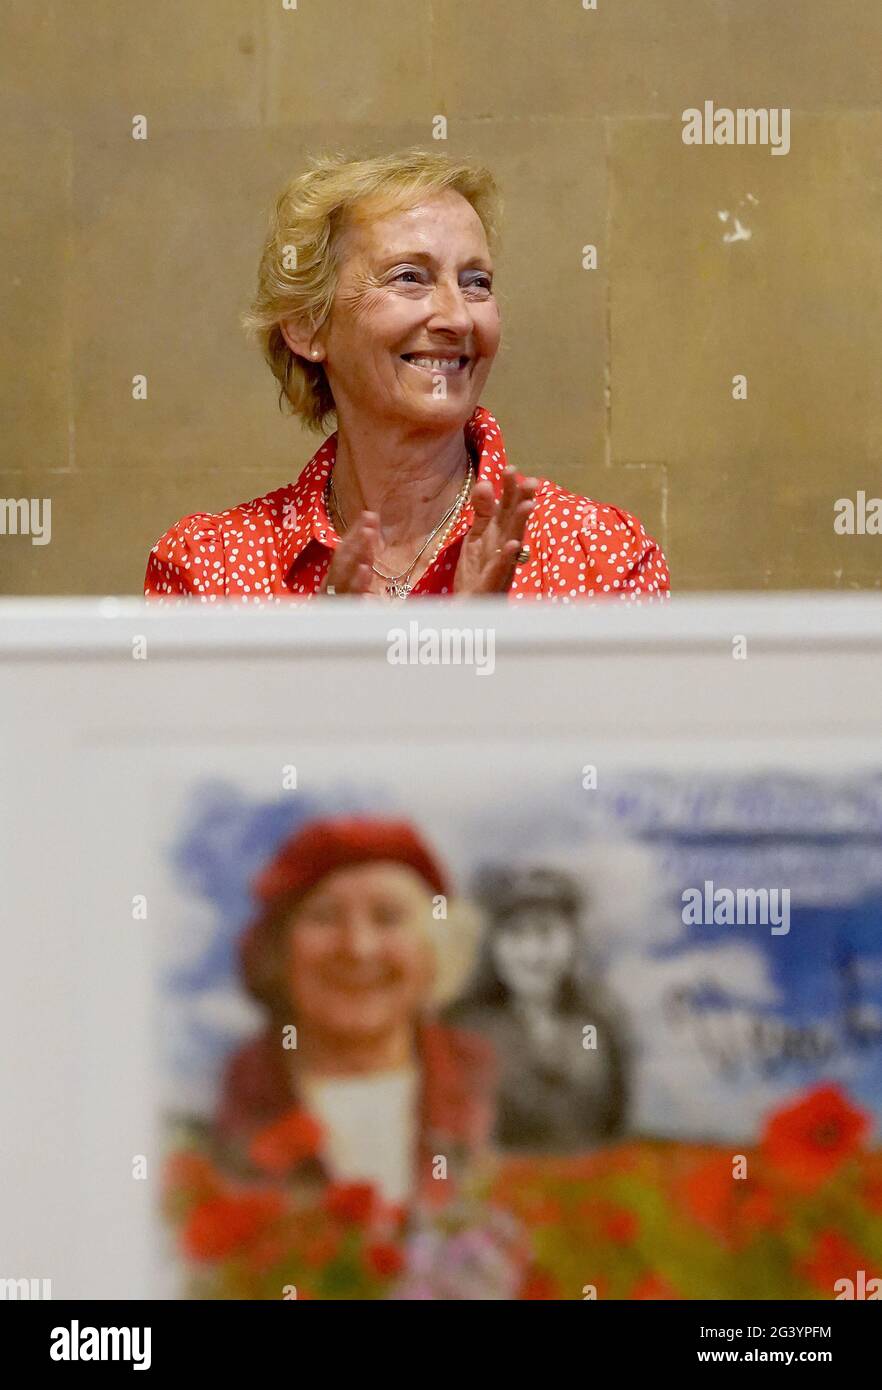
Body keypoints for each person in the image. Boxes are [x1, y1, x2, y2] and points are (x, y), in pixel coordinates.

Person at [145, 148, 670, 604]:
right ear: (308, 324)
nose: (458, 318)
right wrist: (321, 671)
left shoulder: (602, 559)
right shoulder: (208, 570)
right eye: (410, 278)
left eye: (476, 282)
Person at [213, 817, 494, 1207]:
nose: (358, 948)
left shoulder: (485, 1078)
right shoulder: (238, 1094)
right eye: (324, 916)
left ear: (436, 949)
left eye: (388, 917)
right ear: (277, 949)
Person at [446, 867, 630, 1153]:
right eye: (516, 934)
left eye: (546, 933)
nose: (532, 952)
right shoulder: (463, 1029)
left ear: (572, 940)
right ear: (493, 946)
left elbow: (614, 1125)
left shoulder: (600, 1027)